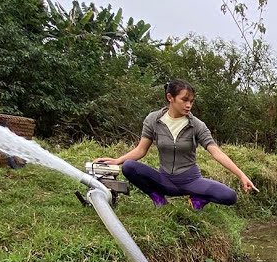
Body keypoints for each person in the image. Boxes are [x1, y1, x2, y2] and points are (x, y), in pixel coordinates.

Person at [96, 79, 257, 211]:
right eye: (184, 100)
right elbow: (141, 150)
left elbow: (217, 153)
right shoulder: (153, 120)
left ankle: (197, 199)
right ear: (170, 98)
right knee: (129, 167)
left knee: (230, 196)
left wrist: (242, 175)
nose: (189, 105)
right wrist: (117, 160)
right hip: (164, 180)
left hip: (191, 181)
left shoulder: (197, 125)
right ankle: (158, 198)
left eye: (191, 101)